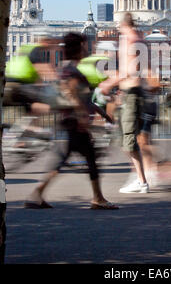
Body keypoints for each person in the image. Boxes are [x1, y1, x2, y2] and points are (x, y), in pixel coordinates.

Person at [25, 32, 118, 210]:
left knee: (64, 160)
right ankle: (97, 198)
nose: (86, 49)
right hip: (75, 121)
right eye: (84, 46)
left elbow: (84, 97)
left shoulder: (67, 68)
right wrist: (82, 115)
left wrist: (102, 113)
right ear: (77, 48)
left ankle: (37, 194)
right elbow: (74, 95)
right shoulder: (71, 71)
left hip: (69, 120)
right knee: (88, 158)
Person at [100, 13, 149, 193]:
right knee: (127, 139)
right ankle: (140, 179)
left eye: (118, 26)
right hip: (130, 93)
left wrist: (108, 83)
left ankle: (141, 181)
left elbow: (129, 71)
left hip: (132, 95)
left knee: (129, 140)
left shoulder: (130, 41)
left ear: (122, 24)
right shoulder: (138, 40)